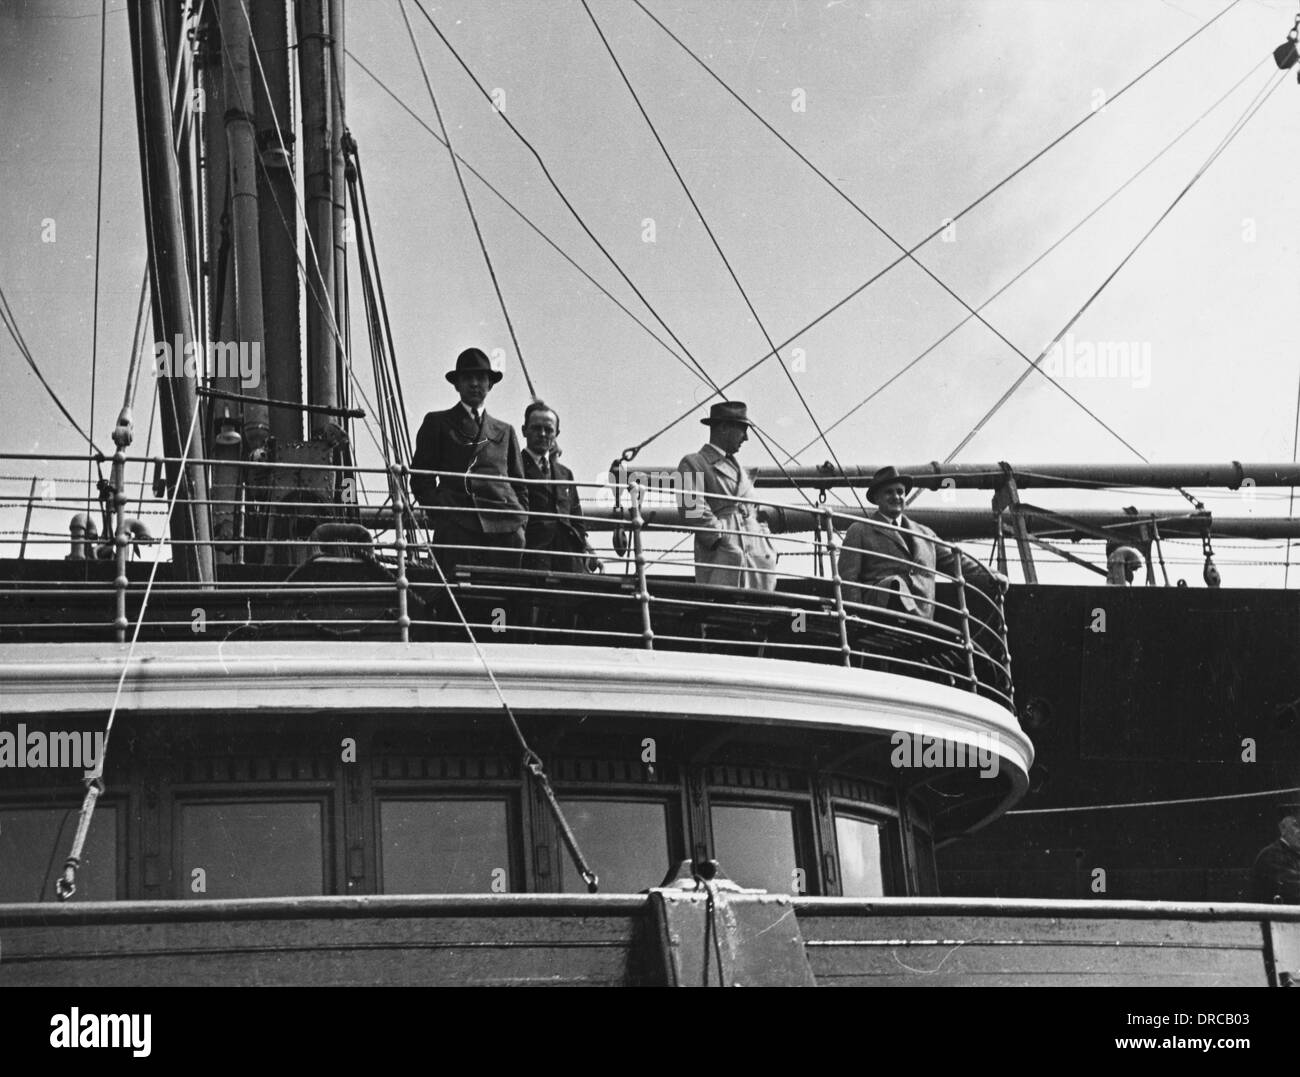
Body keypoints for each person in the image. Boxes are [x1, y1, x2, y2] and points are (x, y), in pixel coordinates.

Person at [410, 347, 526, 577]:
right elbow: (420, 480)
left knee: (501, 600)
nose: (475, 384)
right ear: (457, 385)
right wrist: (443, 515)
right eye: (467, 378)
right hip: (458, 526)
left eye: (481, 378)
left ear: (490, 385)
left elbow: (520, 486)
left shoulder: (505, 431)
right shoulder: (438, 423)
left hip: (504, 530)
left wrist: (520, 520)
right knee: (458, 599)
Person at [839, 466, 1006, 620]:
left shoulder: (925, 534)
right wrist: (856, 616)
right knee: (894, 583)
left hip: (921, 618)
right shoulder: (860, 530)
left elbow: (956, 561)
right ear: (877, 498)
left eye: (900, 492)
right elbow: (848, 578)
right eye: (889, 492)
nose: (896, 497)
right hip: (880, 614)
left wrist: (991, 575)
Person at [676, 401, 777, 590]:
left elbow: (755, 513)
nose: (746, 437)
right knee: (724, 610)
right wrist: (720, 540)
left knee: (759, 610)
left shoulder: (742, 472)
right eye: (742, 429)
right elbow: (692, 508)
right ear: (723, 428)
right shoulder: (694, 463)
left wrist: (768, 544)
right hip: (725, 558)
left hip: (758, 560)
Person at [520, 401, 591, 573]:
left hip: (569, 558)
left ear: (556, 434)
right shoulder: (514, 467)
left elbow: (576, 518)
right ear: (524, 431)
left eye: (549, 429)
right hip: (533, 554)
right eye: (536, 428)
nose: (543, 434)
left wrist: (585, 550)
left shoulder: (565, 474)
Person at [1251, 803, 1300, 904]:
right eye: (1297, 825)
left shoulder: (1295, 854)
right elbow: (1293, 889)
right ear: (1282, 828)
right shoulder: (1270, 856)